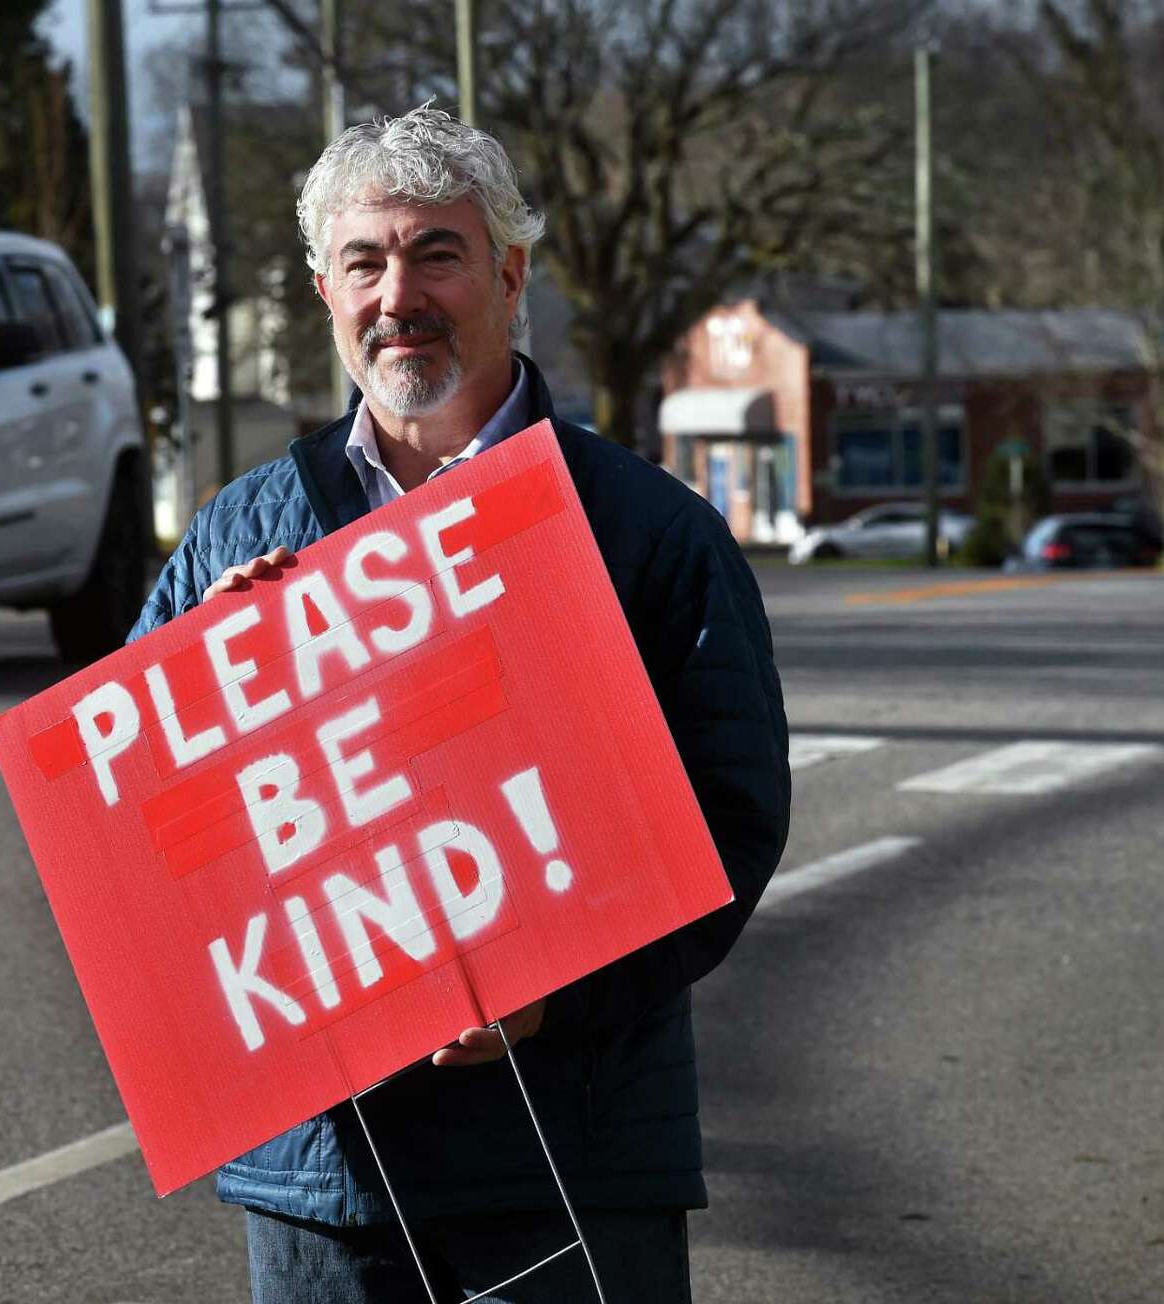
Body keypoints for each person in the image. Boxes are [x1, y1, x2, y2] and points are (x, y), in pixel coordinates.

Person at [129, 105, 789, 1304]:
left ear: (509, 272)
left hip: (574, 1154)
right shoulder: (236, 534)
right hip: (324, 1181)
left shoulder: (648, 534)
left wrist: (559, 995)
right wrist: (200, 677)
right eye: (365, 261)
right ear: (324, 287)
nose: (400, 294)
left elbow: (729, 820)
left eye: (437, 251)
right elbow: (143, 842)